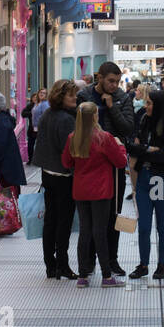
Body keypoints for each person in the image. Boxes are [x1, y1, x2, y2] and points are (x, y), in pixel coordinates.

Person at [62, 101, 127, 287]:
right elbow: (120, 162)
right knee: (100, 232)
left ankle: (83, 276)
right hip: (101, 191)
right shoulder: (104, 138)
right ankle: (107, 276)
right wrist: (120, 145)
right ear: (95, 116)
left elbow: (66, 162)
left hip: (81, 191)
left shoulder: (73, 138)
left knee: (85, 232)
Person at [80, 61, 136, 276]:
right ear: (99, 77)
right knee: (91, 218)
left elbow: (128, 128)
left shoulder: (122, 98)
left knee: (114, 214)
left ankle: (112, 259)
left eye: (117, 81)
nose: (114, 85)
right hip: (89, 166)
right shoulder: (85, 96)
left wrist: (112, 107)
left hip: (113, 167)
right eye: (111, 81)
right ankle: (91, 259)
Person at [127, 88, 164, 281]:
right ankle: (143, 264)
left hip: (163, 179)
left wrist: (143, 150)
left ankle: (162, 265)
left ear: (158, 105)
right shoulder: (144, 120)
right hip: (144, 178)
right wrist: (147, 149)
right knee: (143, 225)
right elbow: (133, 147)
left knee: (162, 225)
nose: (145, 106)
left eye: (149, 103)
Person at [32, 79, 79, 278]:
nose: (75, 98)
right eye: (71, 95)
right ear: (62, 97)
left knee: (50, 219)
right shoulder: (66, 119)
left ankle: (50, 265)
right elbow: (69, 150)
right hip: (63, 176)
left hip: (47, 173)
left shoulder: (47, 114)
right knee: (64, 221)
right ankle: (62, 264)